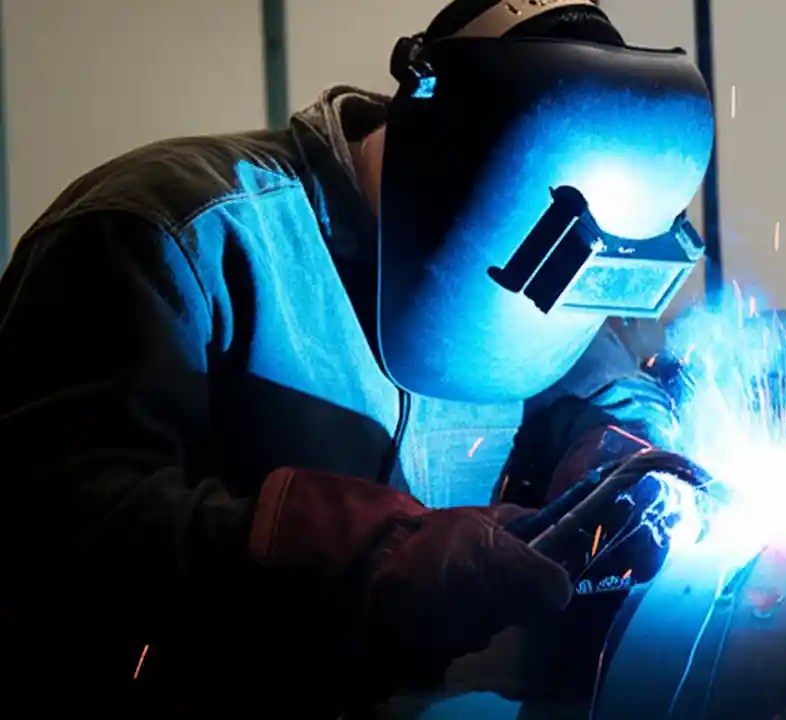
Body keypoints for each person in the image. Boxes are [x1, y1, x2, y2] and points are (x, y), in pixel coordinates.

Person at [0, 1, 714, 717]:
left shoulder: (549, 238)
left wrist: (625, 451)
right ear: (467, 175)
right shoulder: (170, 235)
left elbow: (599, 381)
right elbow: (58, 523)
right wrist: (364, 551)